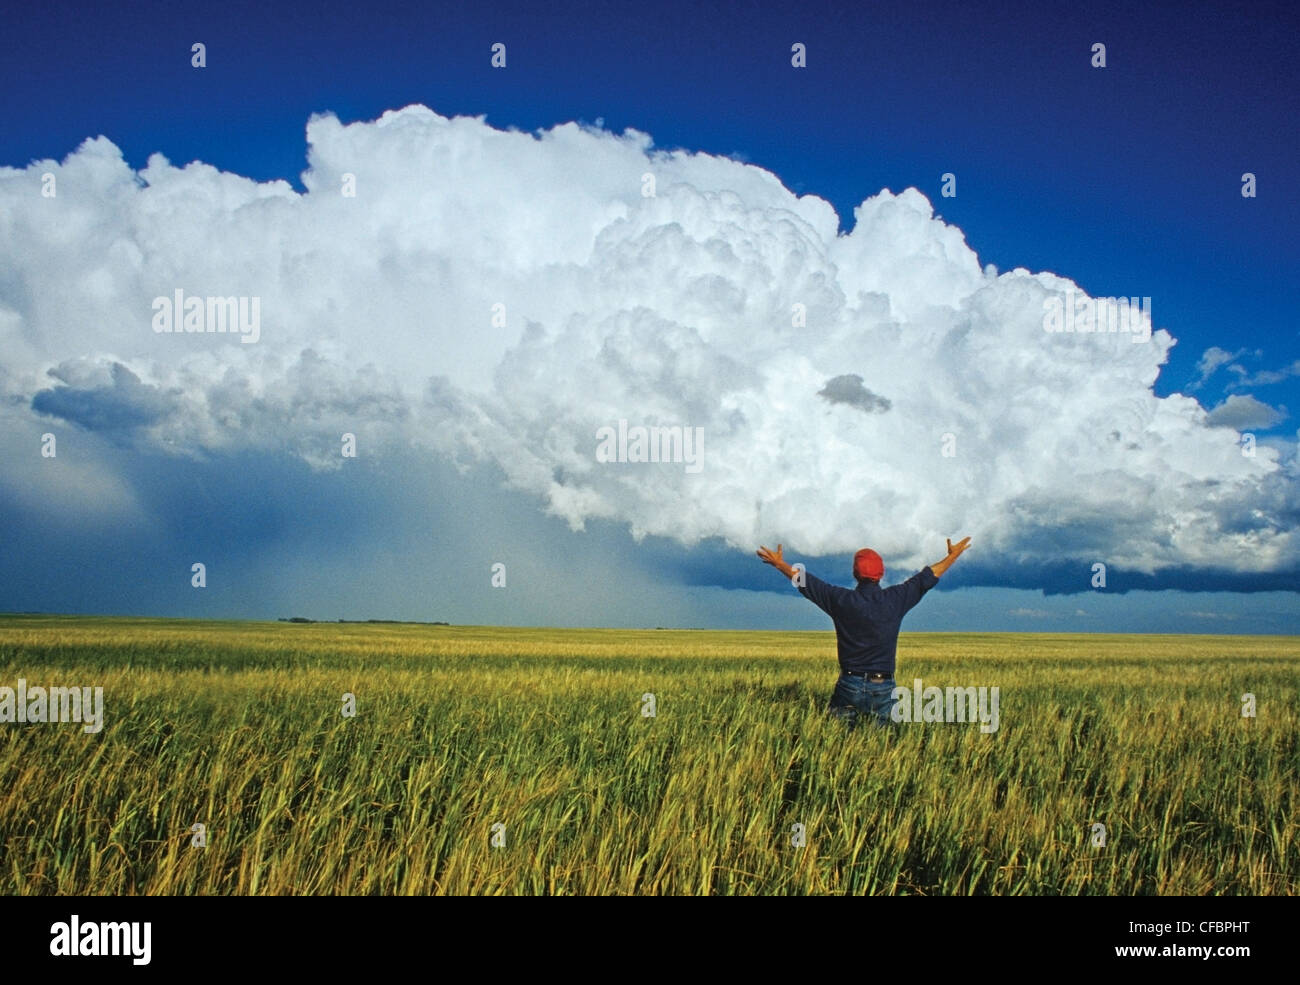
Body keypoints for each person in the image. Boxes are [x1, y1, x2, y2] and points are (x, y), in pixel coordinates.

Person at [755, 537, 971, 728]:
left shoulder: (841, 600)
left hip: (849, 683)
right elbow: (927, 578)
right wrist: (952, 557)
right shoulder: (895, 599)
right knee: (883, 751)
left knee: (836, 746)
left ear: (854, 573)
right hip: (884, 686)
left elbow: (808, 584)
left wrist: (780, 564)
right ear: (882, 573)